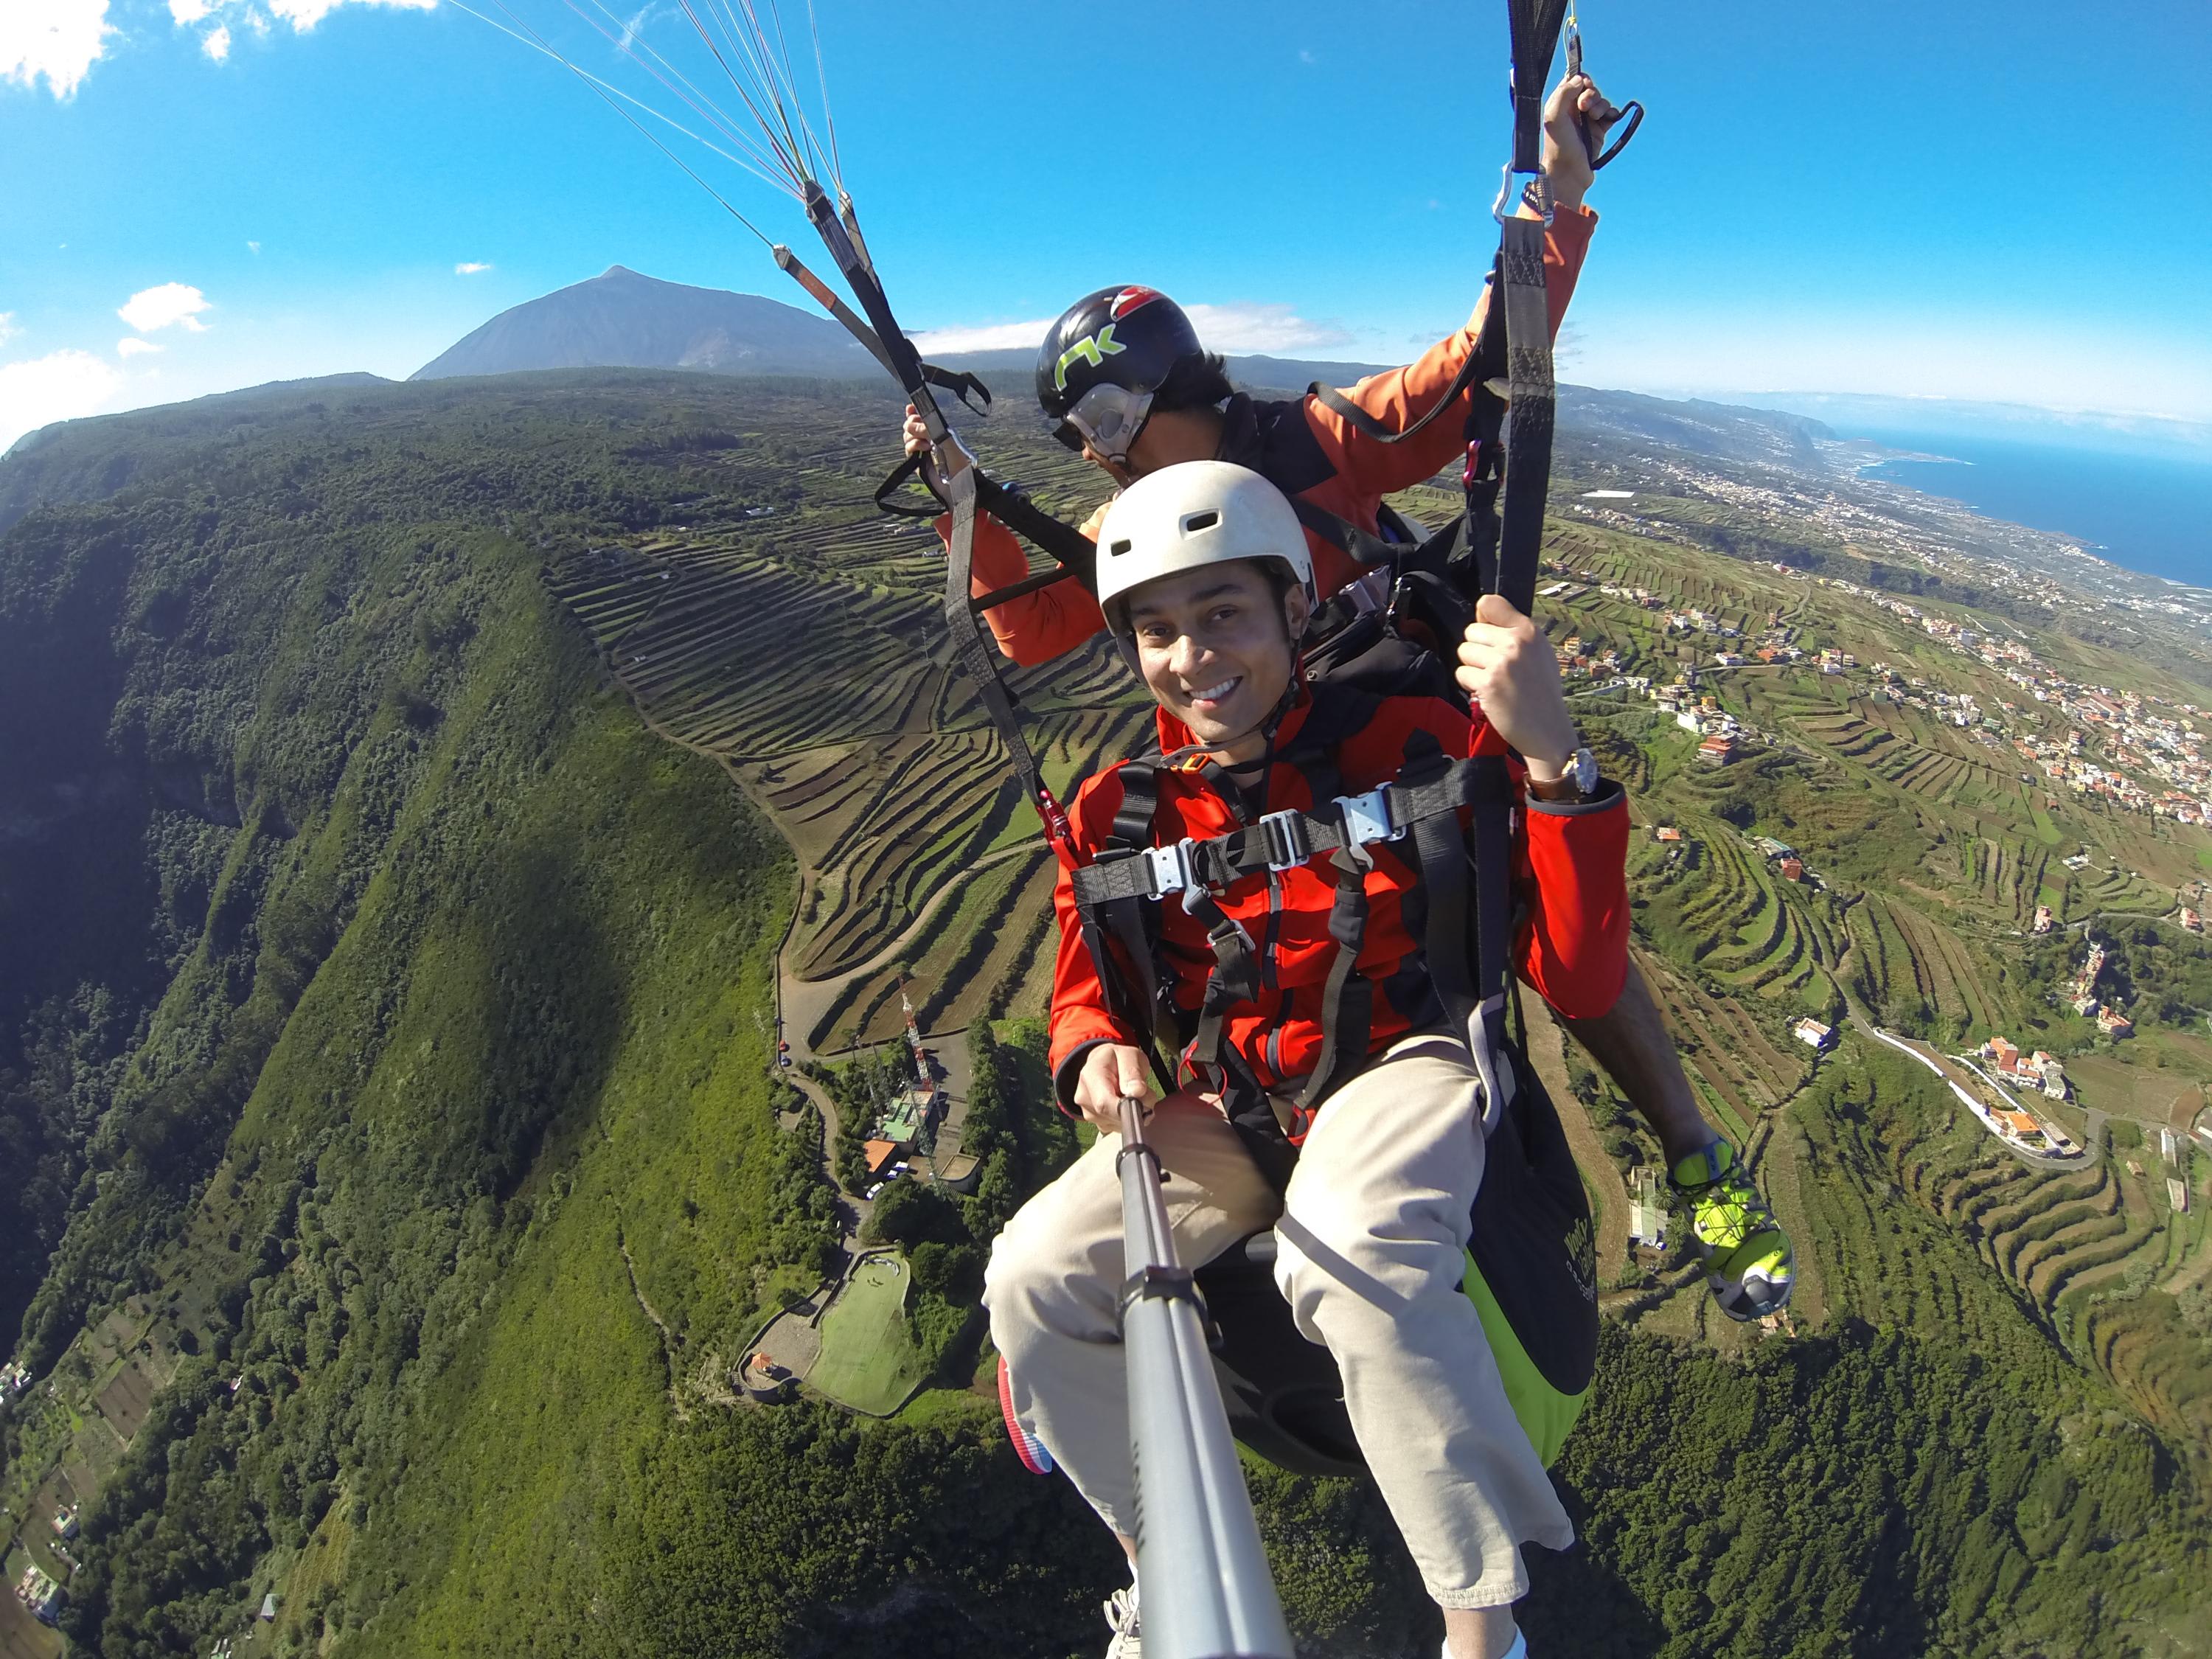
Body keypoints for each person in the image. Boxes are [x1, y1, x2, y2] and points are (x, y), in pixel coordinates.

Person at [913, 74, 1791, 1321]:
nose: (1097, 452)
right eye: (1073, 436)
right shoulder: (1132, 522)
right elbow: (1036, 623)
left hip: (1405, 757)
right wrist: (966, 501)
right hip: (1264, 799)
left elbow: (1478, 371)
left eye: (1107, 414)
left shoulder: (1319, 438)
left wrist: (1562, 201)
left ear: (1170, 380)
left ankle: (1697, 1151)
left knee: (1565, 952)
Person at [987, 461, 1632, 1659]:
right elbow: (1089, 991)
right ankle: (1157, 1560)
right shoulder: (1121, 813)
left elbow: (1576, 969)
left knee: (1353, 1250)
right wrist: (1091, 1049)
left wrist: (1552, 761)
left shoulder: (1417, 741)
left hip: (1405, 1060)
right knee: (1031, 1279)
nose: (1193, 657)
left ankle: (1482, 1627)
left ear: (1292, 610)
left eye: (1223, 612)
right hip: (1238, 1101)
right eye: (1159, 630)